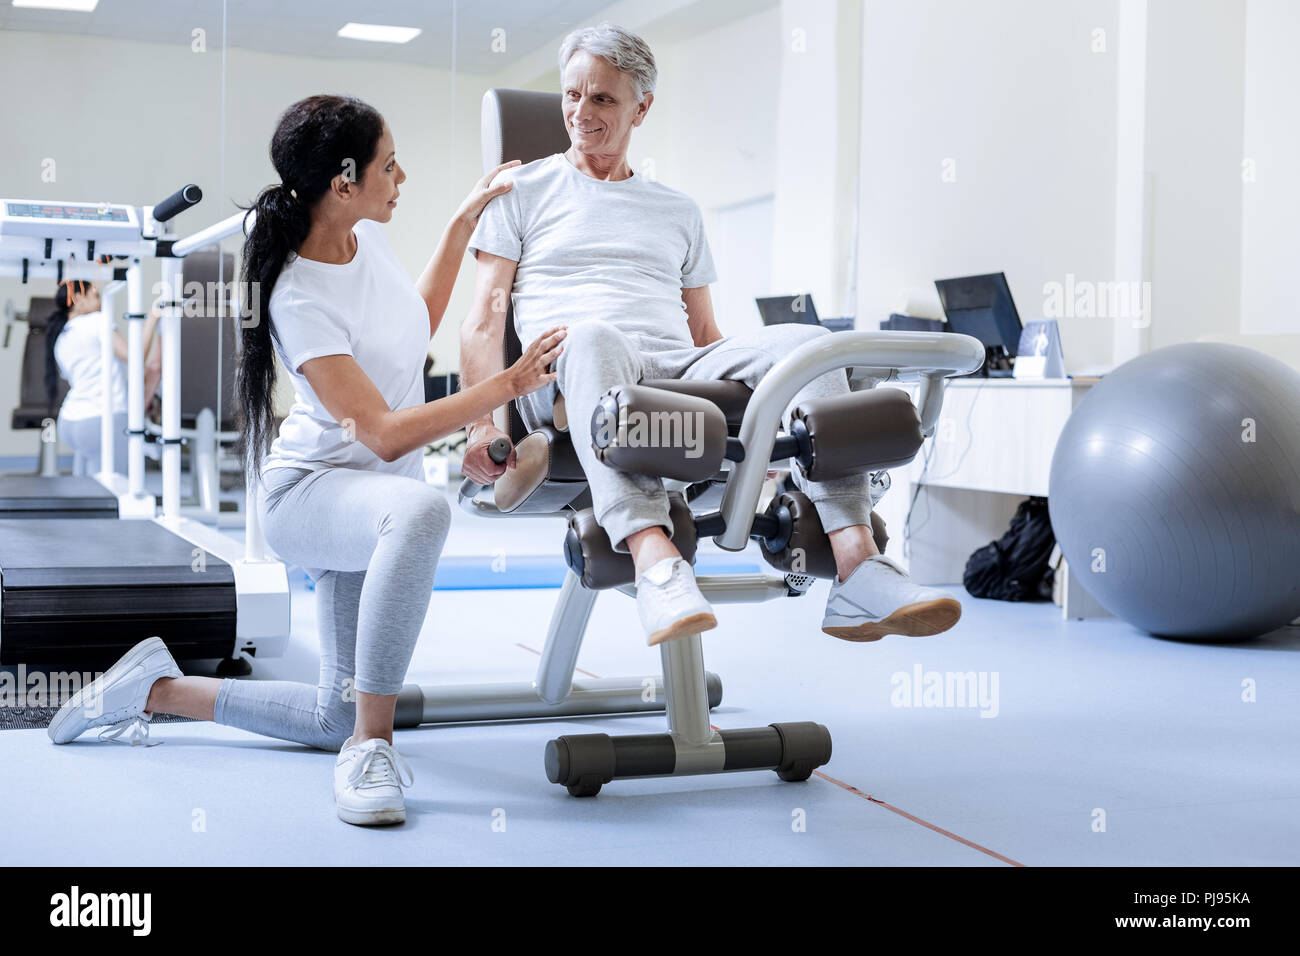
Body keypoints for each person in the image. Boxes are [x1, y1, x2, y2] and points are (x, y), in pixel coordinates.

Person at [48, 94, 566, 828]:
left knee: (332, 713)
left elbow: (413, 321)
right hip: (313, 497)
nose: (403, 176)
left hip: (369, 504)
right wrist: (507, 385)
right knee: (420, 512)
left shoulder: (366, 239)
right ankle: (373, 750)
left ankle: (153, 689)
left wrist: (462, 222)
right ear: (344, 181)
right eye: (391, 165)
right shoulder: (296, 294)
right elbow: (381, 433)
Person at [460, 22, 962, 647]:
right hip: (569, 369)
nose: (580, 113)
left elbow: (705, 331)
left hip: (677, 363)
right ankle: (654, 560)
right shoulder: (519, 192)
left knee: (806, 343)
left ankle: (857, 568)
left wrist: (760, 419)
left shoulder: (677, 210)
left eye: (603, 99)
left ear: (642, 107)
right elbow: (483, 320)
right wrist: (485, 425)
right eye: (571, 95)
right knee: (591, 337)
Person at [46, 279, 163, 475]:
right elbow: (134, 358)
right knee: (111, 491)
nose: (100, 303)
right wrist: (153, 316)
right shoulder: (97, 320)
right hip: (101, 421)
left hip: (69, 422)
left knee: (85, 489)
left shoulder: (61, 336)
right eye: (96, 296)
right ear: (78, 299)